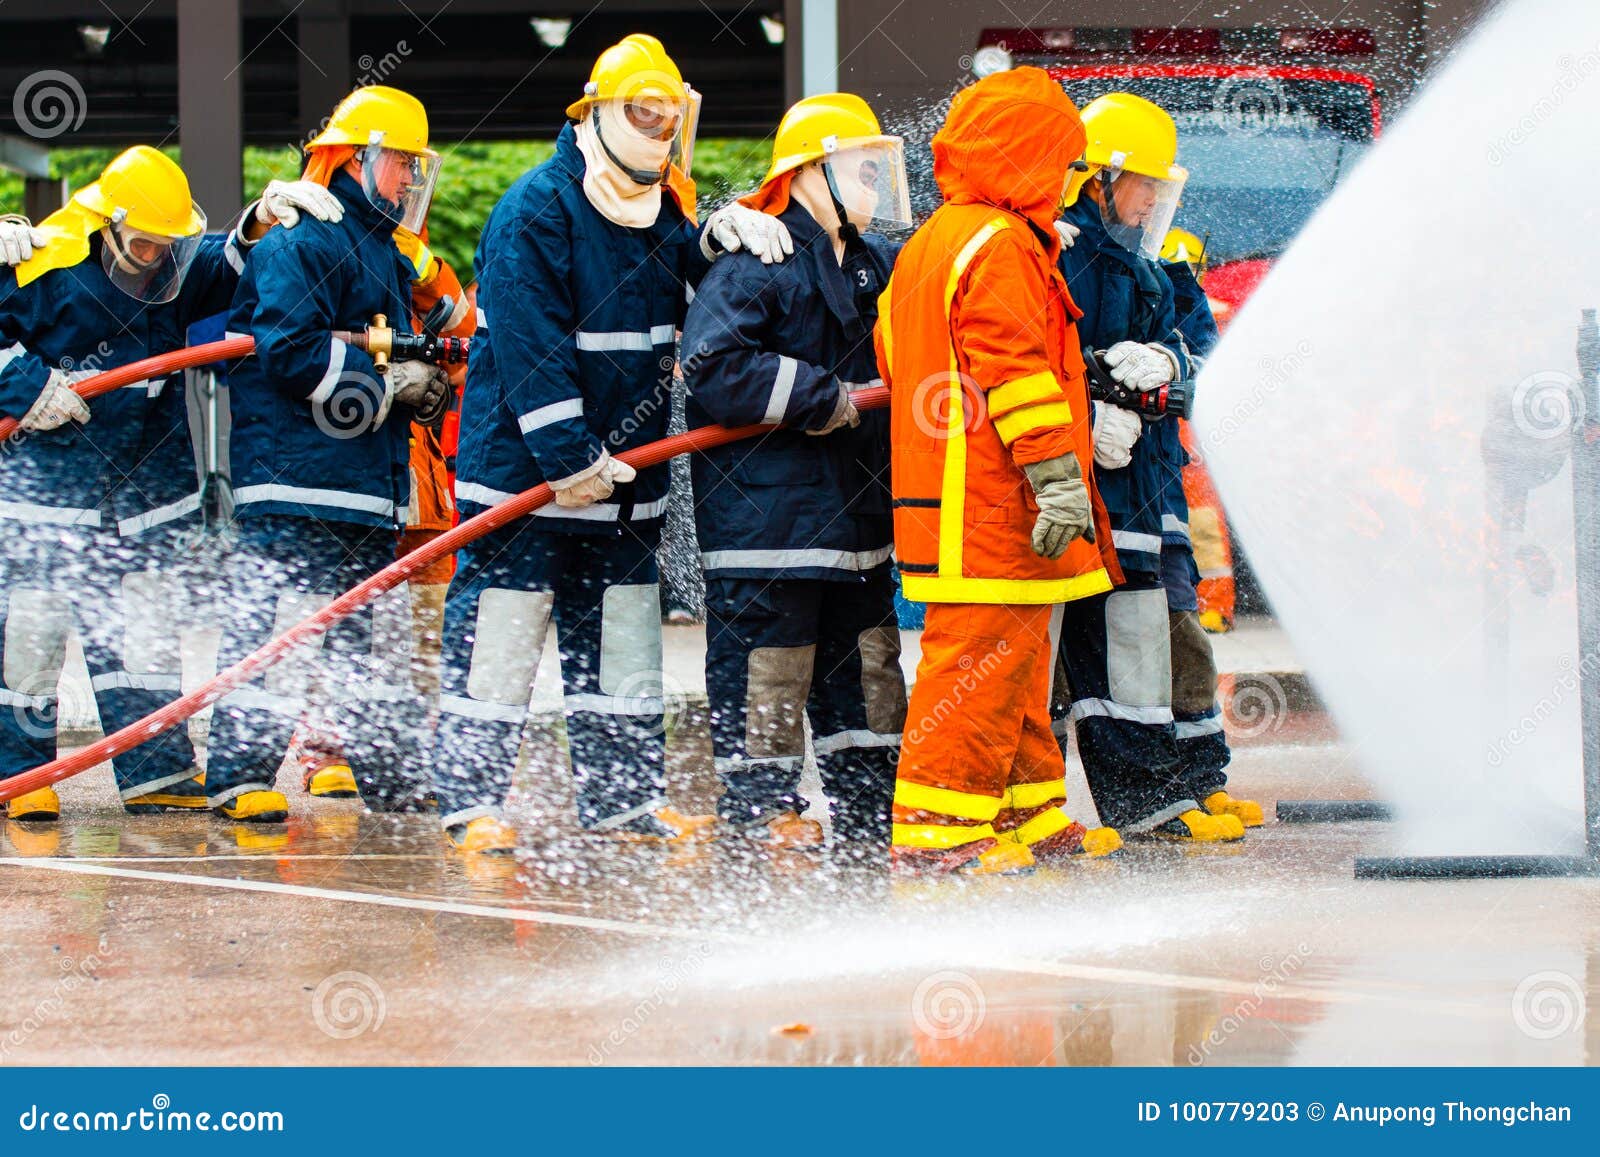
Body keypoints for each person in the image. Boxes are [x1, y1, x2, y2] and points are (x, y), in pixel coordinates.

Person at [431, 34, 790, 853]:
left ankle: (625, 801)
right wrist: (566, 457)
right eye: (643, 111)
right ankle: (469, 801)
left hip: (626, 484)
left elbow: (682, 282)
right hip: (529, 481)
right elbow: (532, 343)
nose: (659, 129)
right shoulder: (535, 208)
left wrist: (721, 235)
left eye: (670, 115)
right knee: (502, 635)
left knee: (625, 642)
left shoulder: (665, 212)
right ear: (596, 114)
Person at [0, 147, 336, 821]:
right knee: (30, 636)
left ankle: (157, 770)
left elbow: (216, 265)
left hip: (146, 492)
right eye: (144, 245)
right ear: (109, 225)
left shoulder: (174, 269)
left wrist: (255, 222)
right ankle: (23, 773)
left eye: (166, 246)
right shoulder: (45, 262)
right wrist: (27, 385)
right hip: (50, 490)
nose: (155, 258)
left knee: (144, 639)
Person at [879, 66, 1125, 875]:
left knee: (1014, 667)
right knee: (978, 666)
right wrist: (1056, 479)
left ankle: (1026, 810)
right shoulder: (1003, 244)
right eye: (1061, 162)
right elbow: (1017, 373)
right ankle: (936, 831)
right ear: (1028, 155)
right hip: (991, 498)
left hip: (951, 494)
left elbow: (896, 355)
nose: (1067, 182)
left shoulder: (933, 241)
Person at [210, 85, 451, 823]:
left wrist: (421, 382)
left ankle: (377, 769)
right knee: (274, 625)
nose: (410, 179)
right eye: (401, 162)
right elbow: (288, 354)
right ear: (356, 157)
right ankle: (238, 774)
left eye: (416, 164)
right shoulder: (298, 240)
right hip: (292, 481)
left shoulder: (382, 250)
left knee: (361, 637)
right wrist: (387, 388)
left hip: (359, 486)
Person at [681, 93, 908, 849]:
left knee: (870, 675)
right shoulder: (760, 259)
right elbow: (712, 366)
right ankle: (761, 810)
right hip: (767, 529)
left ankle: (871, 808)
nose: (874, 181)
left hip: (858, 527)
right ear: (813, 171)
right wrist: (823, 396)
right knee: (767, 677)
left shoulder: (878, 264)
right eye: (860, 166)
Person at [1050, 92, 1255, 839]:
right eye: (1147, 185)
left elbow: (1199, 345)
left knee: (1145, 648)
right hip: (1072, 497)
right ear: (1100, 177)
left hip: (1143, 490)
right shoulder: (1057, 254)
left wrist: (1164, 361)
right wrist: (1089, 409)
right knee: (1059, 664)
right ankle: (1039, 811)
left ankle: (1160, 799)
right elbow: (1029, 357)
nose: (1155, 202)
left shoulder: (1154, 266)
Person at [1158, 228, 1258, 825]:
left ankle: (1199, 782)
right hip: (1135, 489)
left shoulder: (1180, 294)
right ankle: (1160, 795)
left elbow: (1207, 358)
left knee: (1183, 644)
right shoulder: (1104, 275)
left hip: (1166, 477)